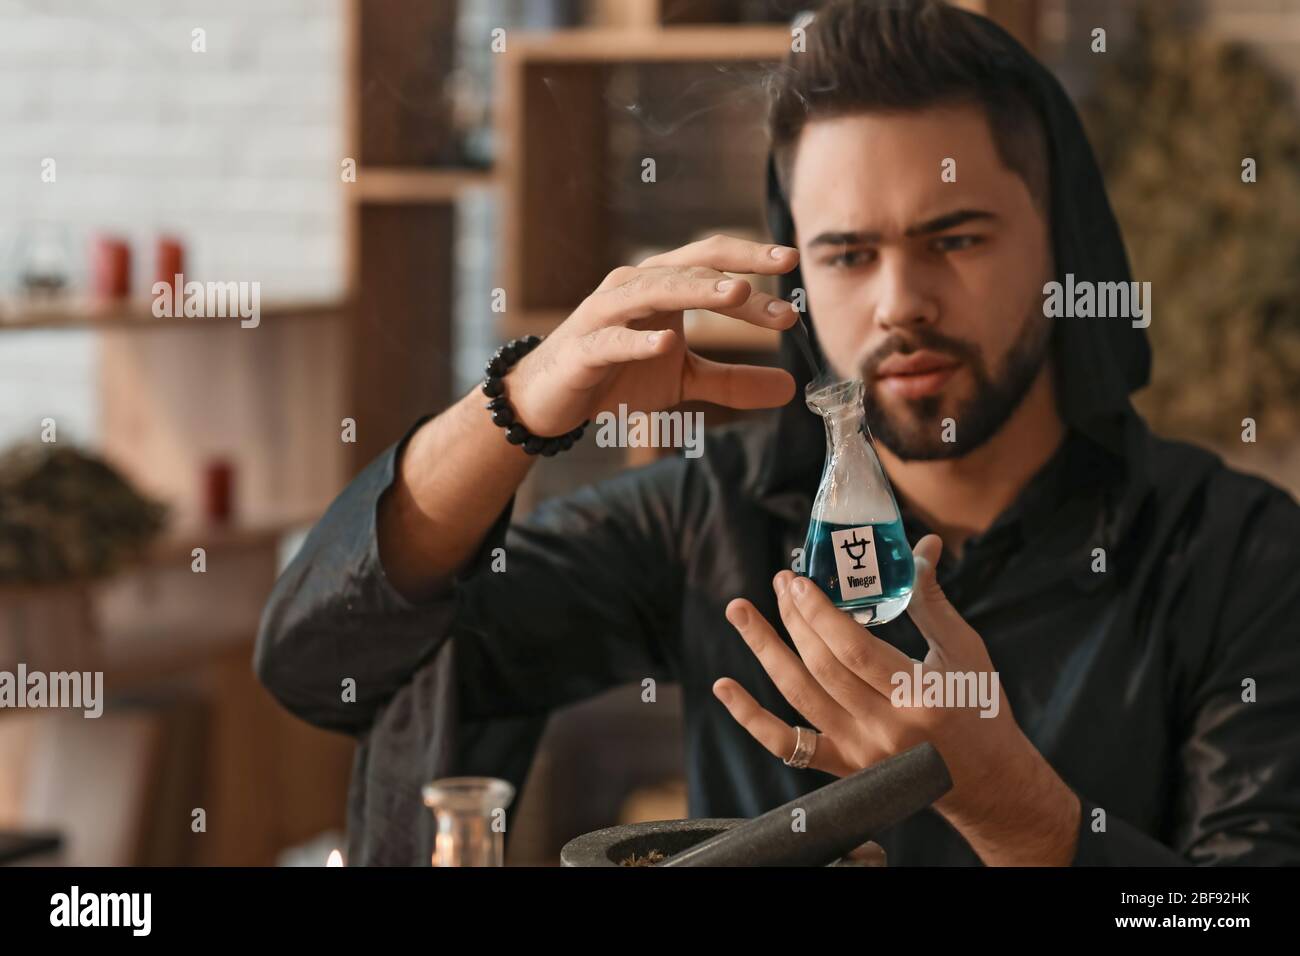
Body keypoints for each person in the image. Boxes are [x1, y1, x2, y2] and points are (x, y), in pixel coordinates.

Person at [254, 0, 1300, 866]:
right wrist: (520, 405)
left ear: (1058, 248)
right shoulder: (710, 512)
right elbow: (325, 662)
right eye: (847, 255)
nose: (900, 303)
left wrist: (1022, 817)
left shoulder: (1238, 554)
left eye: (956, 238)